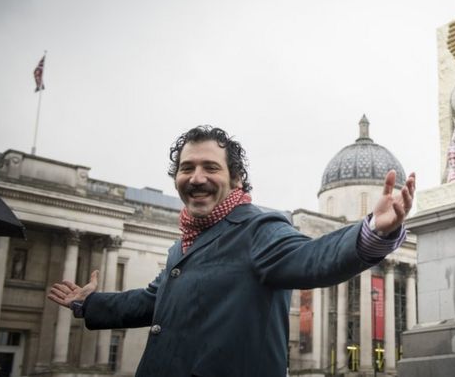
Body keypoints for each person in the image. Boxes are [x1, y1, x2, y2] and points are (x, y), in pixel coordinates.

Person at [47, 125, 416, 377]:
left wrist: (373, 231)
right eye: (187, 168)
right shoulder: (183, 245)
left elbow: (314, 259)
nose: (197, 177)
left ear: (236, 179)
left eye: (210, 167)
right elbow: (152, 302)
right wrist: (88, 304)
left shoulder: (260, 228)